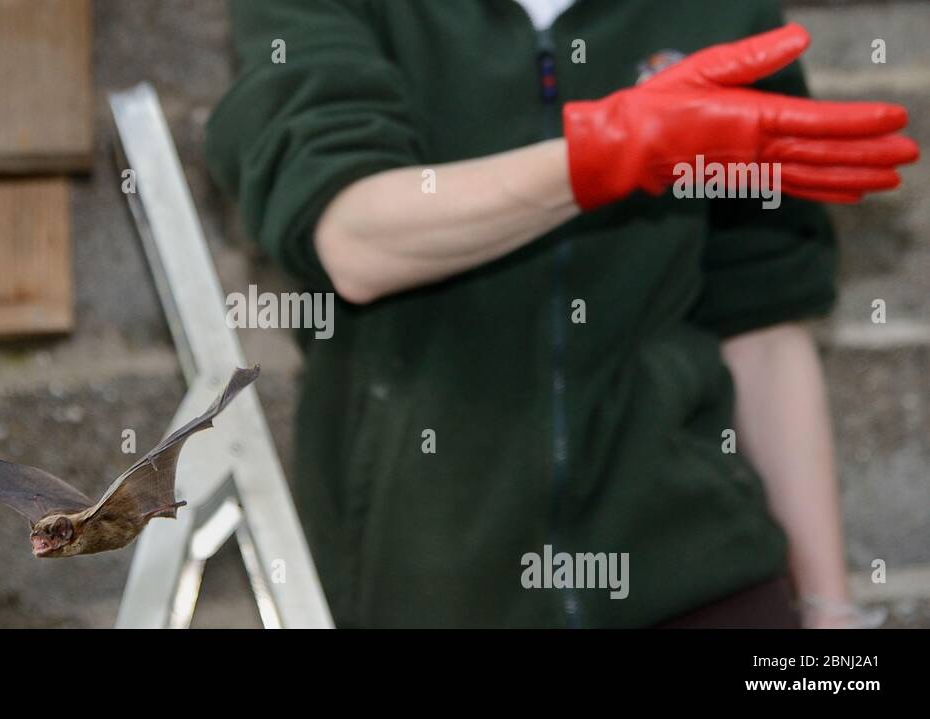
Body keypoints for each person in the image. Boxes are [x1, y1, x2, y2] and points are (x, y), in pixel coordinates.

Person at [205, 0, 919, 627]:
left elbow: (761, 327)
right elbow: (356, 239)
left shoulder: (718, 13)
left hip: (701, 574)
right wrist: (610, 151)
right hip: (428, 582)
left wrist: (831, 610)